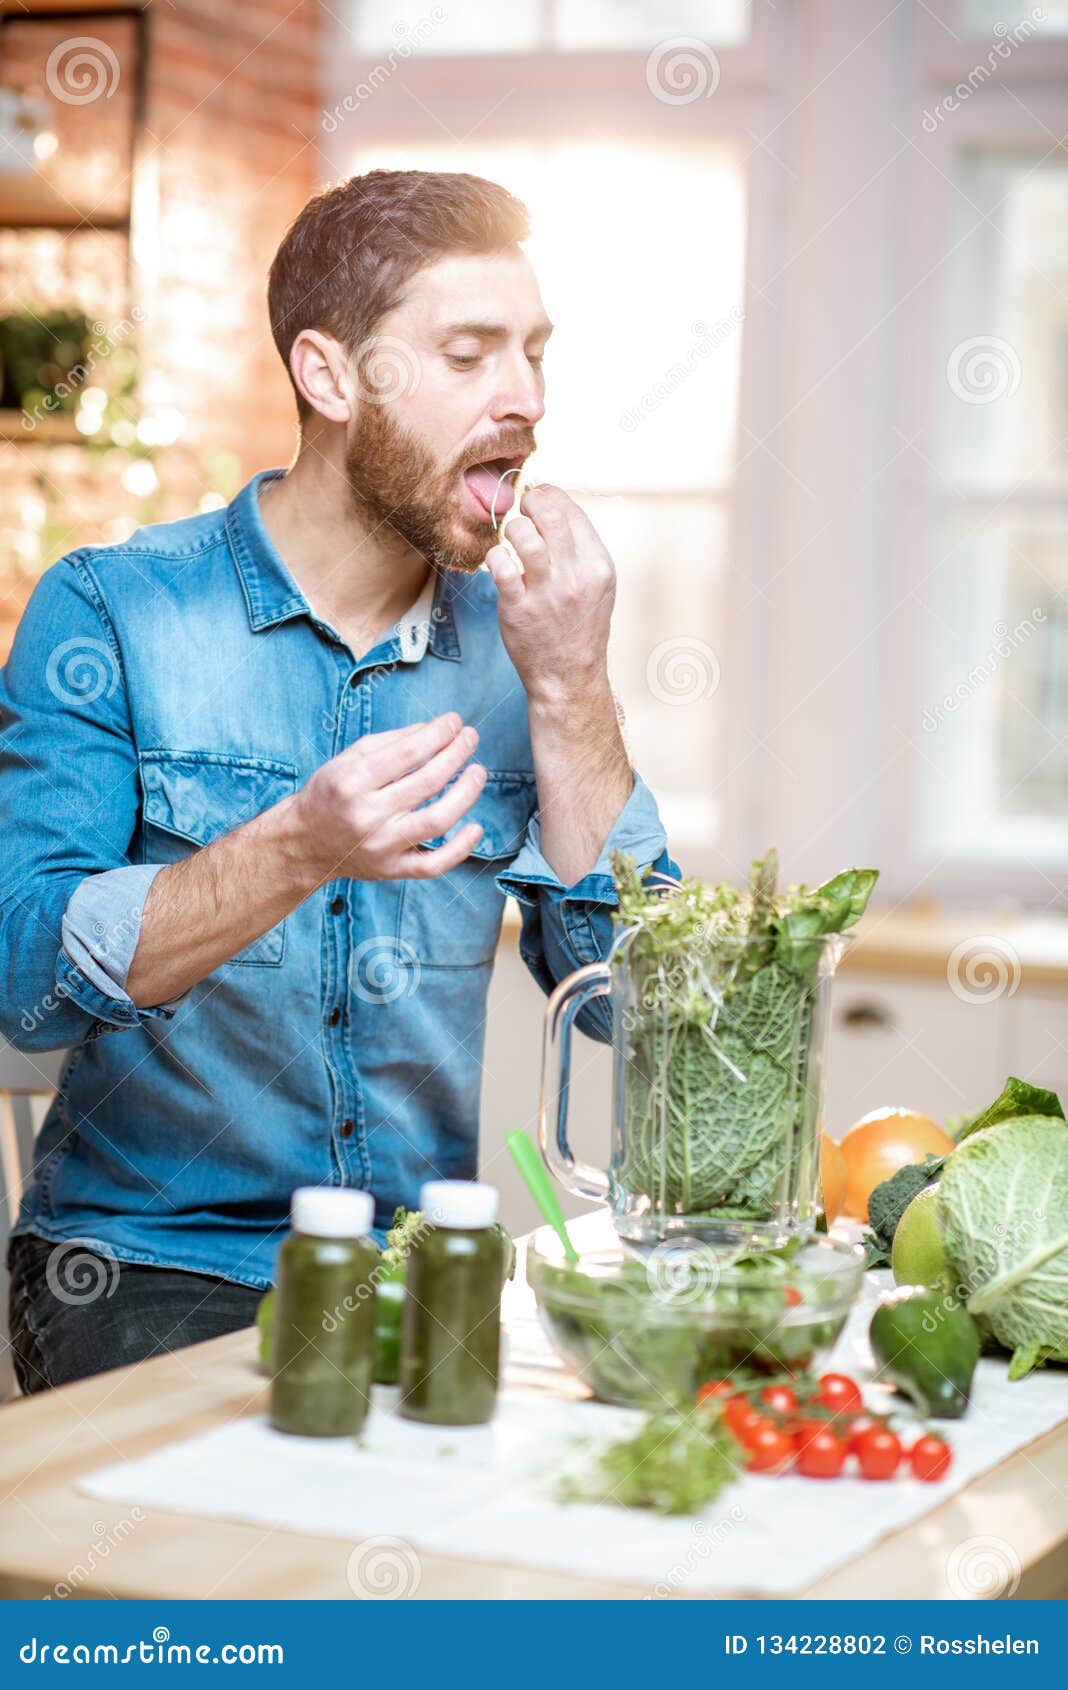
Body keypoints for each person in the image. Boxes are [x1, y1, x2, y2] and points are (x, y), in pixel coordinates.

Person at [0, 170, 675, 1392]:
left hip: (422, 1273)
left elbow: (644, 1020)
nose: (524, 399)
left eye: (532, 354)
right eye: (468, 353)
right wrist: (294, 846)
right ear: (329, 377)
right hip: (156, 1268)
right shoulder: (112, 610)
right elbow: (26, 988)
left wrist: (572, 689)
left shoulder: (525, 647)